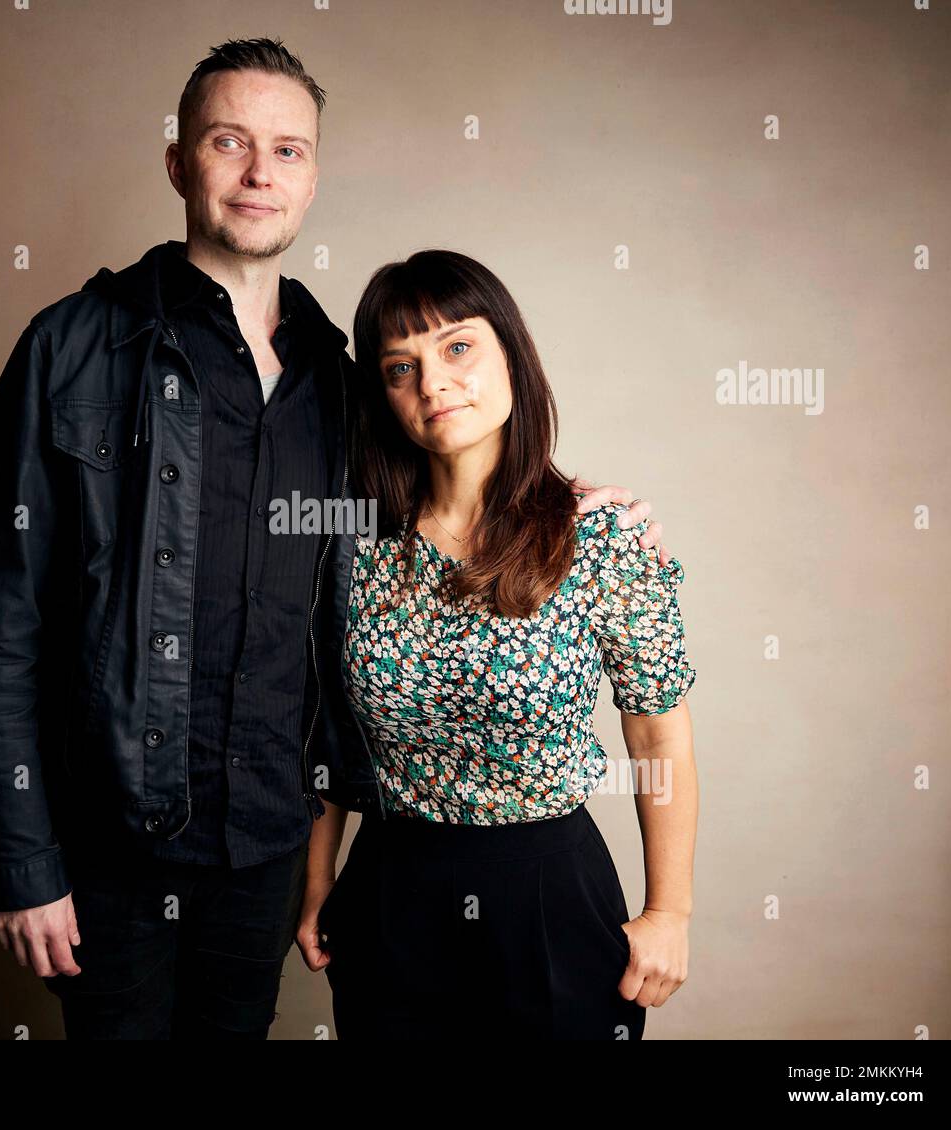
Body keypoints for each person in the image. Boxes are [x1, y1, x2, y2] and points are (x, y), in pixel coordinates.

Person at [0, 36, 673, 1041]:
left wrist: (575, 504)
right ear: (178, 162)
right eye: (228, 141)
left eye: (287, 149)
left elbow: (448, 471)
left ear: (312, 175)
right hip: (109, 854)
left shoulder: (340, 383)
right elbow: (3, 629)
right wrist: (24, 862)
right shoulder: (72, 347)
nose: (260, 171)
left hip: (263, 851)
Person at [295, 249, 699, 1039]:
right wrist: (316, 884)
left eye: (457, 348)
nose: (434, 383)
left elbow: (659, 732)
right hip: (390, 891)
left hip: (550, 890)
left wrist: (670, 911)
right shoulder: (351, 548)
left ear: (511, 354)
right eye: (399, 367)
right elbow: (324, 733)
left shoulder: (603, 536)